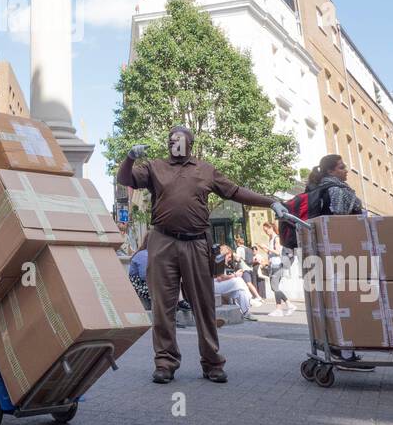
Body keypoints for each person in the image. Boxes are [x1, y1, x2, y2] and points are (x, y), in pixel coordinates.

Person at [117, 127, 286, 384]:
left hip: (196, 243)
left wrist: (270, 201)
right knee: (163, 305)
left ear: (190, 144)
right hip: (163, 240)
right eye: (170, 138)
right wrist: (130, 157)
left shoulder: (206, 169)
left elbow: (235, 191)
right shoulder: (154, 167)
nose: (173, 141)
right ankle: (165, 363)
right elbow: (125, 179)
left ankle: (212, 362)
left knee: (204, 304)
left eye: (179, 138)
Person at [212, 243, 257, 323]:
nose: (230, 259)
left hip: (216, 284)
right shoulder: (219, 260)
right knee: (238, 280)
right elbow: (219, 278)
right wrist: (234, 275)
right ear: (225, 254)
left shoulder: (219, 260)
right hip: (214, 284)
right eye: (229, 256)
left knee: (240, 291)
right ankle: (250, 300)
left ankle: (246, 312)